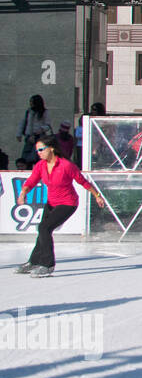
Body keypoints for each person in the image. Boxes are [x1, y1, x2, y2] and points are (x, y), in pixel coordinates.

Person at [16, 136, 106, 276]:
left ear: (51, 148)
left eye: (41, 149)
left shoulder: (65, 165)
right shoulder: (41, 165)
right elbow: (31, 181)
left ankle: (47, 265)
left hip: (68, 203)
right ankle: (33, 262)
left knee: (44, 228)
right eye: (37, 150)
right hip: (51, 203)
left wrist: (97, 196)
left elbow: (82, 181)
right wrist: (23, 193)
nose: (38, 153)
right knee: (43, 230)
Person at [17, 94, 51, 167]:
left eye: (32, 101)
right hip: (29, 137)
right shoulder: (29, 111)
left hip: (39, 137)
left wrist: (40, 130)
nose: (30, 103)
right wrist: (19, 134)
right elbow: (23, 122)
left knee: (38, 157)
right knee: (26, 156)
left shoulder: (44, 112)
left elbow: (47, 125)